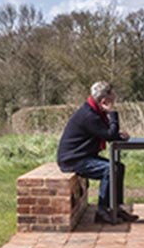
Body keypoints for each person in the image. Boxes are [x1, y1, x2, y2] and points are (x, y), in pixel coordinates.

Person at [57, 81, 138, 224]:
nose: (114, 103)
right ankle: (101, 211)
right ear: (104, 101)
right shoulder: (89, 115)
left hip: (83, 156)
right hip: (74, 159)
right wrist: (112, 114)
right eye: (112, 100)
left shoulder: (94, 111)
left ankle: (115, 207)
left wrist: (118, 135)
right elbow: (107, 134)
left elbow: (105, 133)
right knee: (111, 169)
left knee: (119, 167)